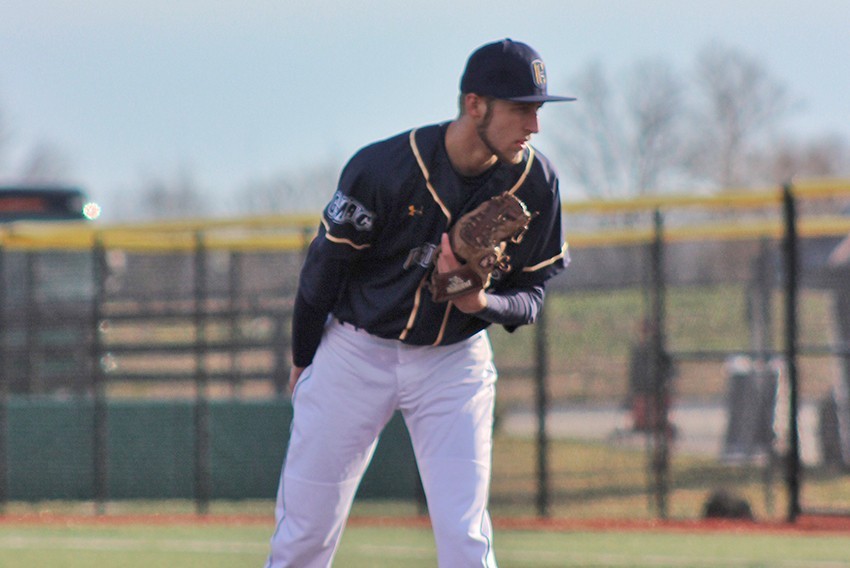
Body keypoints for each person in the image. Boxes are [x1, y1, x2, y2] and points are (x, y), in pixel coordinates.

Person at [265, 38, 574, 568]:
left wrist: (480, 301)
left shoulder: (536, 182)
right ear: (475, 104)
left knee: (465, 539)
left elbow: (531, 297)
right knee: (304, 535)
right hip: (356, 353)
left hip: (453, 363)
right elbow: (322, 273)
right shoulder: (384, 168)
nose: (535, 125)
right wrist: (303, 355)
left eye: (538, 109)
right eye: (521, 108)